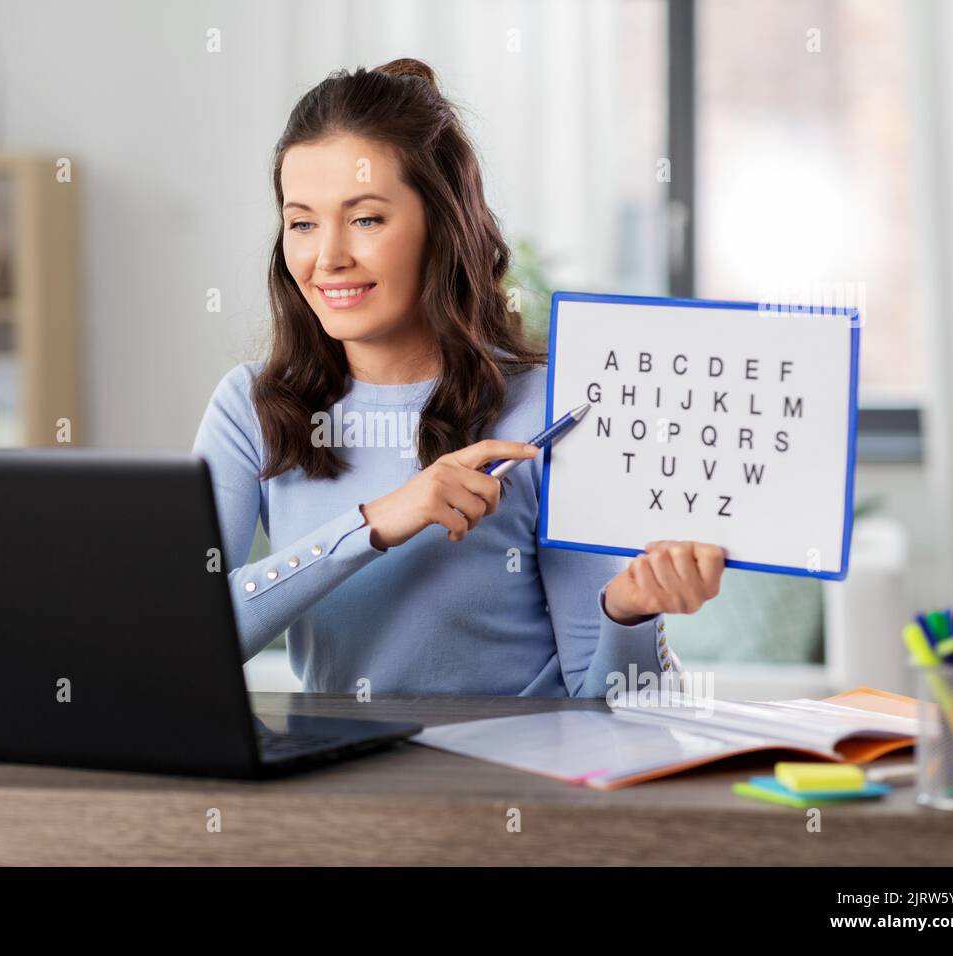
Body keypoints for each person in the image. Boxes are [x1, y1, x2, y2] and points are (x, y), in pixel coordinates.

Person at [193, 58, 725, 697]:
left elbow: (611, 702)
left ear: (440, 228)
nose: (327, 257)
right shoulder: (250, 408)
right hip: (336, 781)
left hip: (517, 785)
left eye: (365, 219)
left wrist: (632, 614)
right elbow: (184, 638)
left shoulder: (554, 409)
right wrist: (377, 523)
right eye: (302, 222)